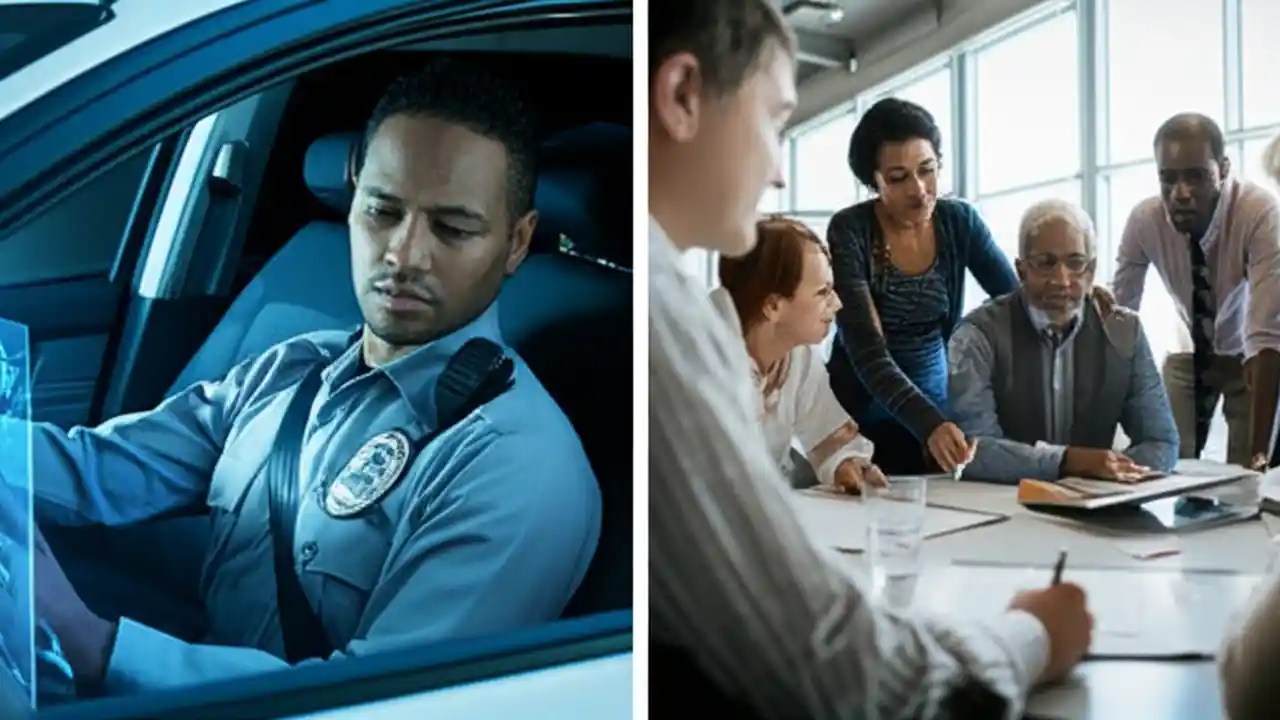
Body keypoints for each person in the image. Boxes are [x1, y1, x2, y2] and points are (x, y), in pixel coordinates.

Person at [28, 59, 601, 695]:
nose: (404, 255)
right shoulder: (294, 368)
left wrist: (95, 645)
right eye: (382, 211)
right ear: (352, 196)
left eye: (453, 228)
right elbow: (96, 469)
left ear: (517, 242)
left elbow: (381, 703)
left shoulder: (513, 466)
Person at [649, 1, 1093, 717]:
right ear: (681, 97)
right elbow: (837, 664)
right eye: (774, 120)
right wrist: (1029, 635)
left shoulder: (673, 300)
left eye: (927, 171)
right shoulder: (668, 325)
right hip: (886, 402)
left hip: (928, 411)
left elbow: (1012, 304)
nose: (777, 174)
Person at [824, 98, 1117, 475]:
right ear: (872, 180)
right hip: (864, 404)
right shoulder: (850, 230)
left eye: (927, 170)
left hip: (935, 397)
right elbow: (866, 350)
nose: (919, 189)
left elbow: (1013, 294)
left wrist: (1075, 292)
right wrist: (929, 423)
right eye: (898, 178)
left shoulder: (958, 220)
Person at [948, 199, 1178, 484]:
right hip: (1005, 504)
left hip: (1097, 509)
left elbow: (1161, 441)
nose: (1062, 279)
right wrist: (1071, 462)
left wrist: (1112, 475)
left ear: (1091, 270)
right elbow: (973, 450)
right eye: (1045, 264)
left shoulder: (1124, 330)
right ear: (1021, 270)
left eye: (1075, 263)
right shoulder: (977, 335)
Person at [1112, 113, 1280, 471]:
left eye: (1196, 177)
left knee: (1243, 480)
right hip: (1188, 352)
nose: (1180, 193)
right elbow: (1120, 318)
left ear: (1223, 169)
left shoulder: (1259, 212)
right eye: (1168, 179)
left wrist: (1258, 457)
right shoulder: (1144, 220)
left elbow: (1266, 334)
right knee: (1166, 465)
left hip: (1249, 358)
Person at [711, 215, 885, 493]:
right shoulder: (706, 363)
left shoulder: (796, 356)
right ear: (773, 306)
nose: (837, 304)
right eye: (823, 292)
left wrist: (847, 465)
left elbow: (828, 436)